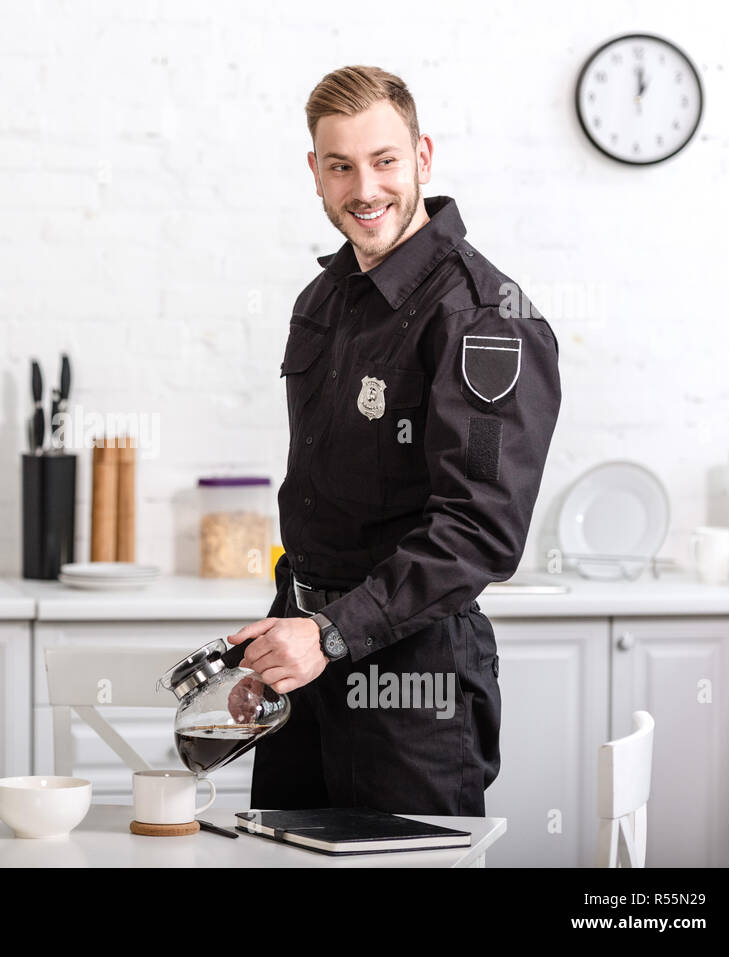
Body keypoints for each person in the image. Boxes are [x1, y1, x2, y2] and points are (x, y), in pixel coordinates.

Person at [223, 65, 562, 816]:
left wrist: (329, 635)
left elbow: (479, 532)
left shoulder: (483, 318)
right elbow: (322, 512)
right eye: (340, 166)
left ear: (423, 158)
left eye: (384, 161)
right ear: (315, 173)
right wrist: (281, 646)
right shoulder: (323, 300)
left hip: (414, 687)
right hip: (306, 671)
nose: (364, 188)